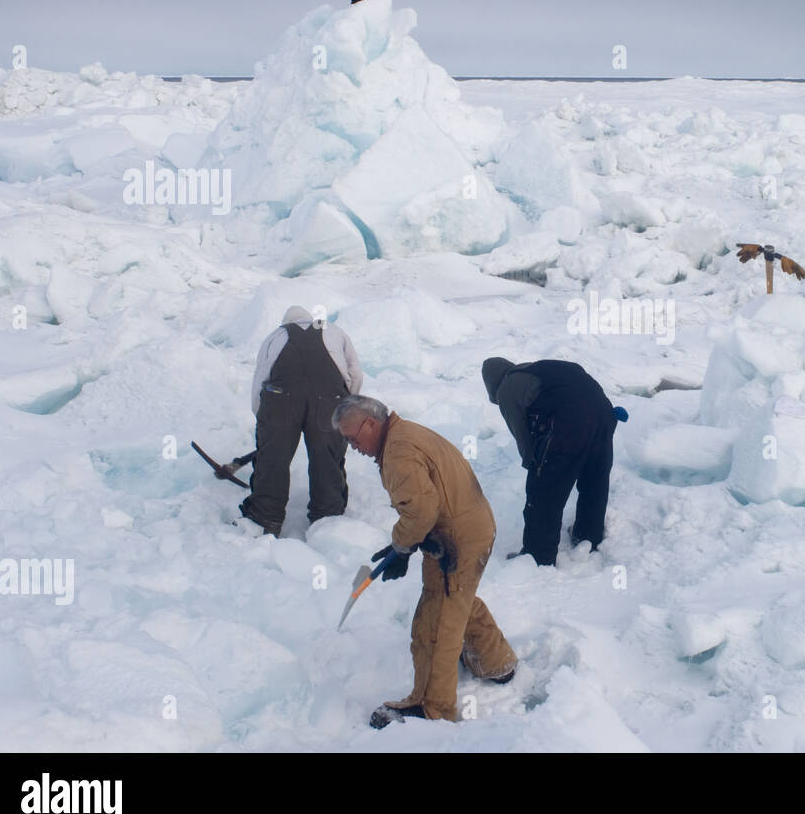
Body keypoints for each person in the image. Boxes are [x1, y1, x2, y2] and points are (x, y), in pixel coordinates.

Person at [332, 395, 518, 726]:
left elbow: (420, 511)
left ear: (370, 424)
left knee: (436, 621)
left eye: (352, 437)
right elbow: (427, 503)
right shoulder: (403, 434)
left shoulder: (399, 452)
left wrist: (402, 546)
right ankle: (494, 661)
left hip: (457, 538)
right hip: (456, 530)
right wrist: (408, 542)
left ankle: (432, 708)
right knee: (455, 600)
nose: (352, 446)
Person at [482, 358, 623, 566]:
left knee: (545, 492)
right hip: (604, 413)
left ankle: (537, 556)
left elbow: (521, 435)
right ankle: (587, 536)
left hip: (570, 422)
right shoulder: (537, 370)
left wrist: (537, 468)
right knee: (594, 480)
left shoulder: (507, 388)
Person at [237, 306, 362, 536]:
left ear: (287, 322)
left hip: (280, 399)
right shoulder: (335, 331)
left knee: (273, 457)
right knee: (327, 456)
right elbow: (355, 372)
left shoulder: (275, 336)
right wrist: (347, 405)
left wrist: (265, 422)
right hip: (329, 399)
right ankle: (327, 519)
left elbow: (260, 380)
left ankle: (265, 519)